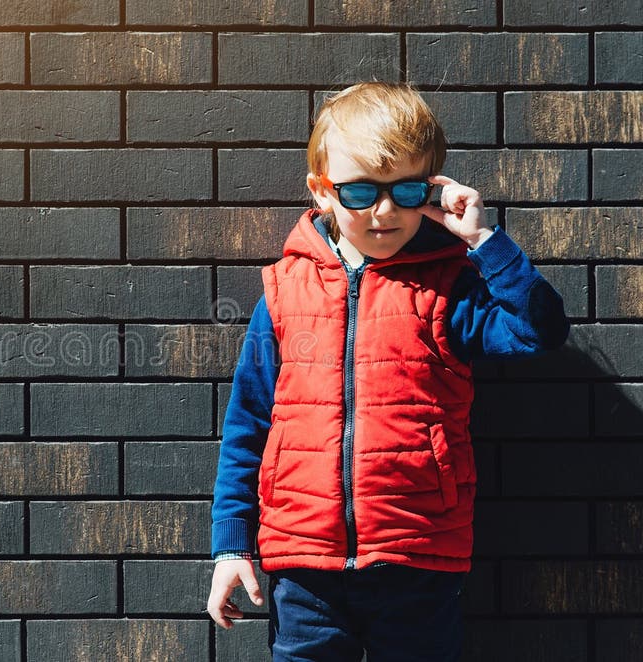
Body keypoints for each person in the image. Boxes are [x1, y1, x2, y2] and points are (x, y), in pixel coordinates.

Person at [206, 81, 570, 661]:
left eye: (404, 190)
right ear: (322, 192)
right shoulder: (283, 293)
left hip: (418, 555)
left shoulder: (449, 288)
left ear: (430, 190)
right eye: (358, 192)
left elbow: (539, 330)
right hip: (305, 565)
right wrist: (231, 547)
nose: (383, 211)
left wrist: (482, 239)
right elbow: (248, 425)